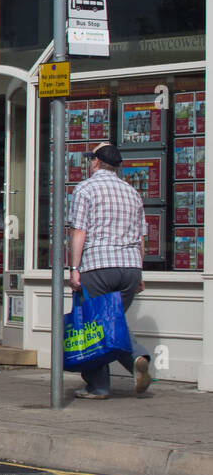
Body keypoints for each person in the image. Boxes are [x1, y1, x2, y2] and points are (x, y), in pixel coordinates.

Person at [68, 142, 152, 399]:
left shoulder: (85, 188)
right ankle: (135, 360)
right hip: (130, 267)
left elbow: (79, 231)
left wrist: (74, 268)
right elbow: (141, 237)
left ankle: (100, 385)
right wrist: (139, 273)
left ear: (95, 162)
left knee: (94, 324)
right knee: (112, 321)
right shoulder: (132, 192)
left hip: (98, 265)